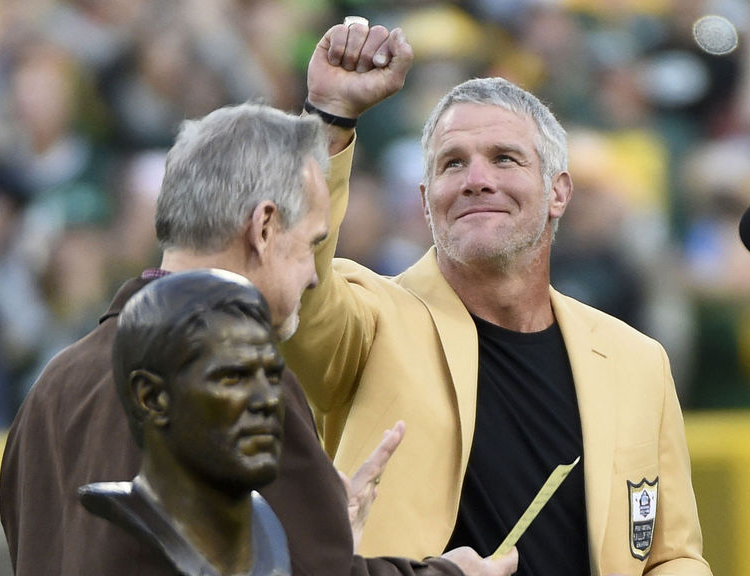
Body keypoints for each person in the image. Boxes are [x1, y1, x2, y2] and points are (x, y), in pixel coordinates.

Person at [0, 24, 518, 576]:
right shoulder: (236, 369)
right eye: (311, 245)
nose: (315, 279)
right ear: (265, 228)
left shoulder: (50, 390)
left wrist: (310, 522)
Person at [280, 22, 713, 576]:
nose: (476, 180)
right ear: (426, 199)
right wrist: (330, 117)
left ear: (558, 192)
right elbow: (298, 272)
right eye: (452, 162)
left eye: (505, 159)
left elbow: (672, 556)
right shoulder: (368, 319)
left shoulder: (637, 361)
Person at [80, 270, 291, 576]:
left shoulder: (270, 536)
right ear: (151, 397)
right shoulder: (126, 551)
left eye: (272, 377)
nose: (268, 400)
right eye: (232, 377)